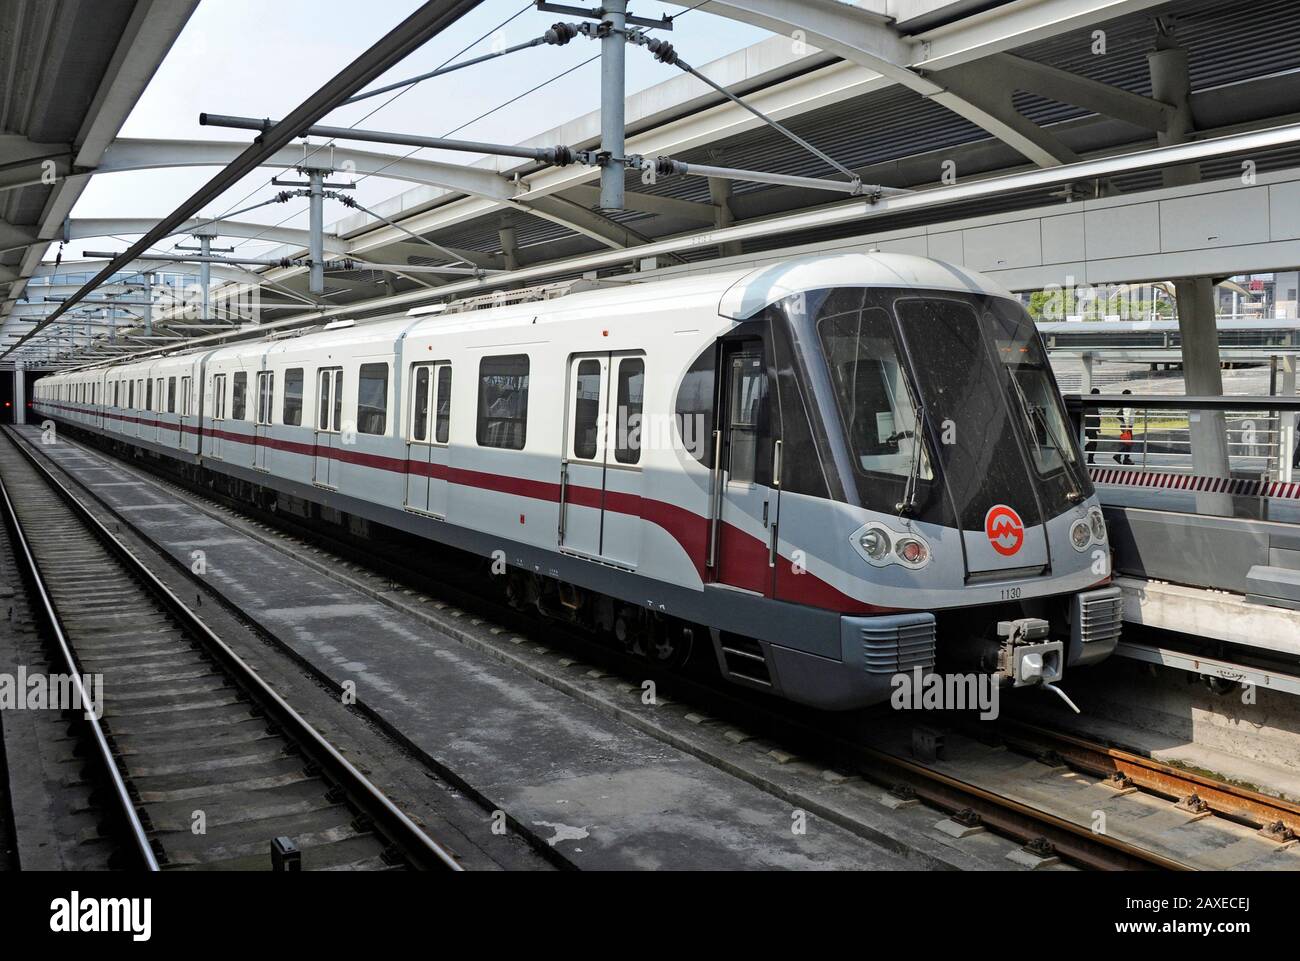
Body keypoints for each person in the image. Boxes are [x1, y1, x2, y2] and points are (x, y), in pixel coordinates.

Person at [1115, 388, 1135, 466]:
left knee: (1127, 442)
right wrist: (1127, 427)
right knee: (1128, 443)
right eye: (1131, 393)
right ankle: (1121, 457)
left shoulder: (1127, 403)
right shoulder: (1127, 404)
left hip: (1126, 426)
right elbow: (1126, 416)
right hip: (1126, 426)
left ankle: (1124, 458)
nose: (1132, 395)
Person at [1084, 387, 1101, 464]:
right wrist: (1098, 427)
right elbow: (1096, 416)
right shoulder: (1095, 403)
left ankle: (1082, 451)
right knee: (1093, 443)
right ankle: (1090, 459)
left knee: (1092, 442)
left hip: (1085, 426)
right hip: (1091, 427)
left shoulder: (1087, 402)